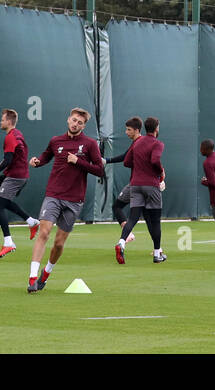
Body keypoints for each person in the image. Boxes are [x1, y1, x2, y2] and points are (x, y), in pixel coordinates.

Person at [26, 108, 105, 292]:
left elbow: (100, 170)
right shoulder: (56, 141)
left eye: (80, 122)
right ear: (68, 120)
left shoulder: (90, 144)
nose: (75, 124)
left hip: (74, 200)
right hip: (53, 194)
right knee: (44, 232)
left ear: (84, 126)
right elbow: (45, 158)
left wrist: (78, 161)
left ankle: (46, 273)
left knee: (59, 243)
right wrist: (36, 162)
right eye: (74, 120)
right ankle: (32, 278)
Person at [0, 108, 39, 259]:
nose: (1, 122)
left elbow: (8, 160)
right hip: (19, 175)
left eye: (2, 119)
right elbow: (17, 158)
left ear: (9, 122)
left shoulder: (10, 137)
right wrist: (4, 176)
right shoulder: (18, 134)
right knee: (4, 203)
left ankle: (9, 243)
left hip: (16, 176)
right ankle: (32, 222)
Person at [114, 116, 167, 264]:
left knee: (132, 218)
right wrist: (160, 171)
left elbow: (126, 162)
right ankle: (157, 254)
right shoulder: (157, 143)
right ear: (156, 128)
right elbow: (155, 160)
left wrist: (140, 167)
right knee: (155, 221)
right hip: (151, 185)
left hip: (135, 185)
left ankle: (121, 243)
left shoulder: (137, 142)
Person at [105, 118, 143, 246]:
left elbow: (126, 160)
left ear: (137, 130)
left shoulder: (139, 142)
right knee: (148, 217)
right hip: (143, 184)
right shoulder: (137, 142)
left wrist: (107, 161)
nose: (126, 132)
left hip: (137, 183)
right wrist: (107, 160)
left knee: (118, 207)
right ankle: (157, 250)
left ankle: (126, 236)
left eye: (129, 130)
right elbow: (126, 157)